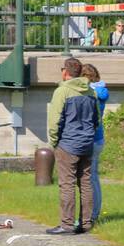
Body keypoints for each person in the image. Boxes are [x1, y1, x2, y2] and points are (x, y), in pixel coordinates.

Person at [44, 57, 99, 235]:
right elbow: (96, 119)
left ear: (65, 72)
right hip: (87, 143)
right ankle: (86, 223)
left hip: (68, 144)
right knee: (86, 183)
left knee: (66, 184)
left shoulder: (63, 91)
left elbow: (54, 121)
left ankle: (67, 225)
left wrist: (54, 142)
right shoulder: (91, 91)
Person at [81, 63, 108, 226]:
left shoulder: (89, 93)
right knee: (94, 178)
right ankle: (95, 212)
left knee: (88, 179)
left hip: (89, 139)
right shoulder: (102, 91)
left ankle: (91, 214)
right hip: (99, 138)